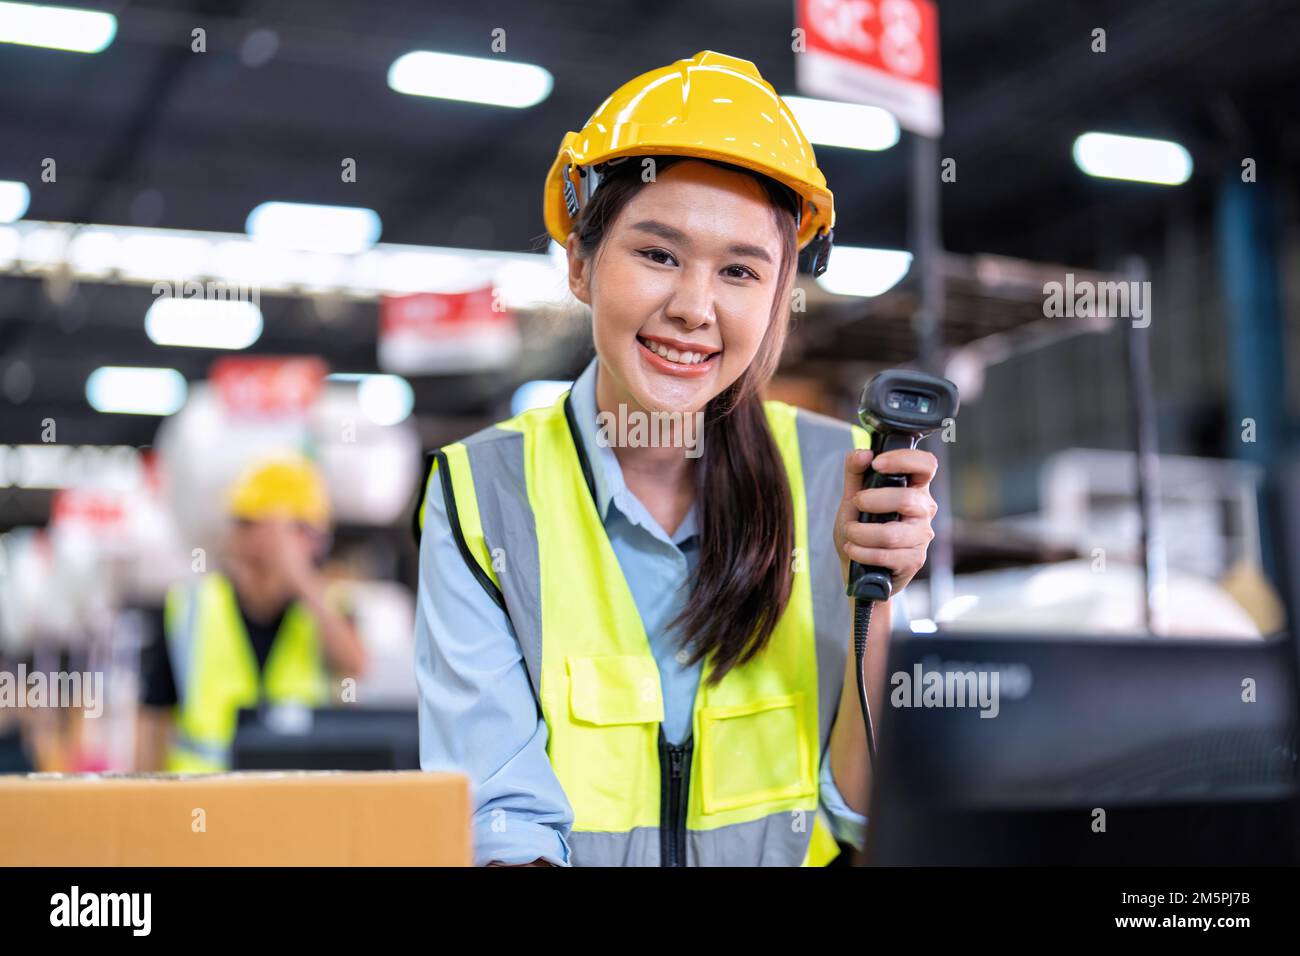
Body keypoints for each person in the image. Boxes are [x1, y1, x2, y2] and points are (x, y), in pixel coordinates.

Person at [413, 51, 939, 866]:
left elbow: (862, 821)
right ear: (581, 265)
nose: (695, 308)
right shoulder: (484, 493)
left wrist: (875, 596)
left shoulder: (837, 475)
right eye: (658, 254)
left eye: (739, 271)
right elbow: (499, 824)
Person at [136, 455, 367, 772]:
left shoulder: (327, 607)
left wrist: (301, 579)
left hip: (297, 805)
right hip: (206, 803)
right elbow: (152, 723)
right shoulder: (189, 609)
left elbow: (355, 666)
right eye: (245, 525)